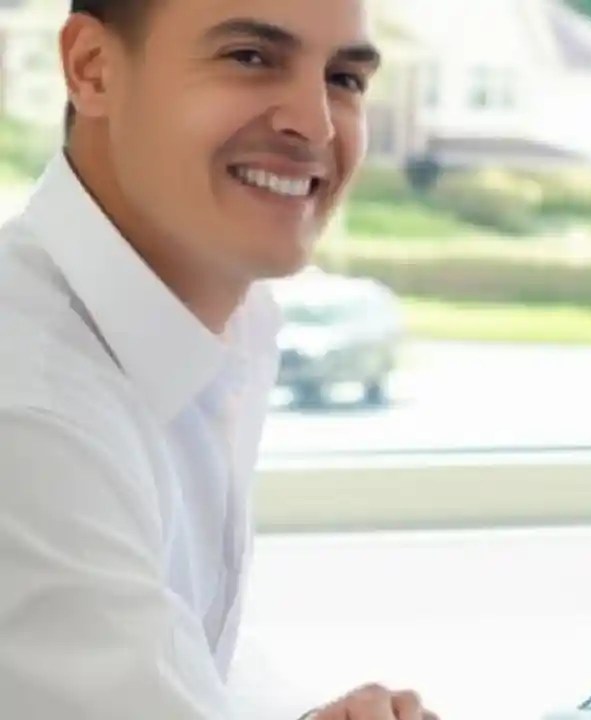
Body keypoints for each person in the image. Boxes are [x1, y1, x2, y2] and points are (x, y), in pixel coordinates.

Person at [0, 1, 435, 718]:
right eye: (250, 57)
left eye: (344, 78)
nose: (316, 123)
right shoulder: (34, 419)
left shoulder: (223, 328)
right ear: (92, 69)